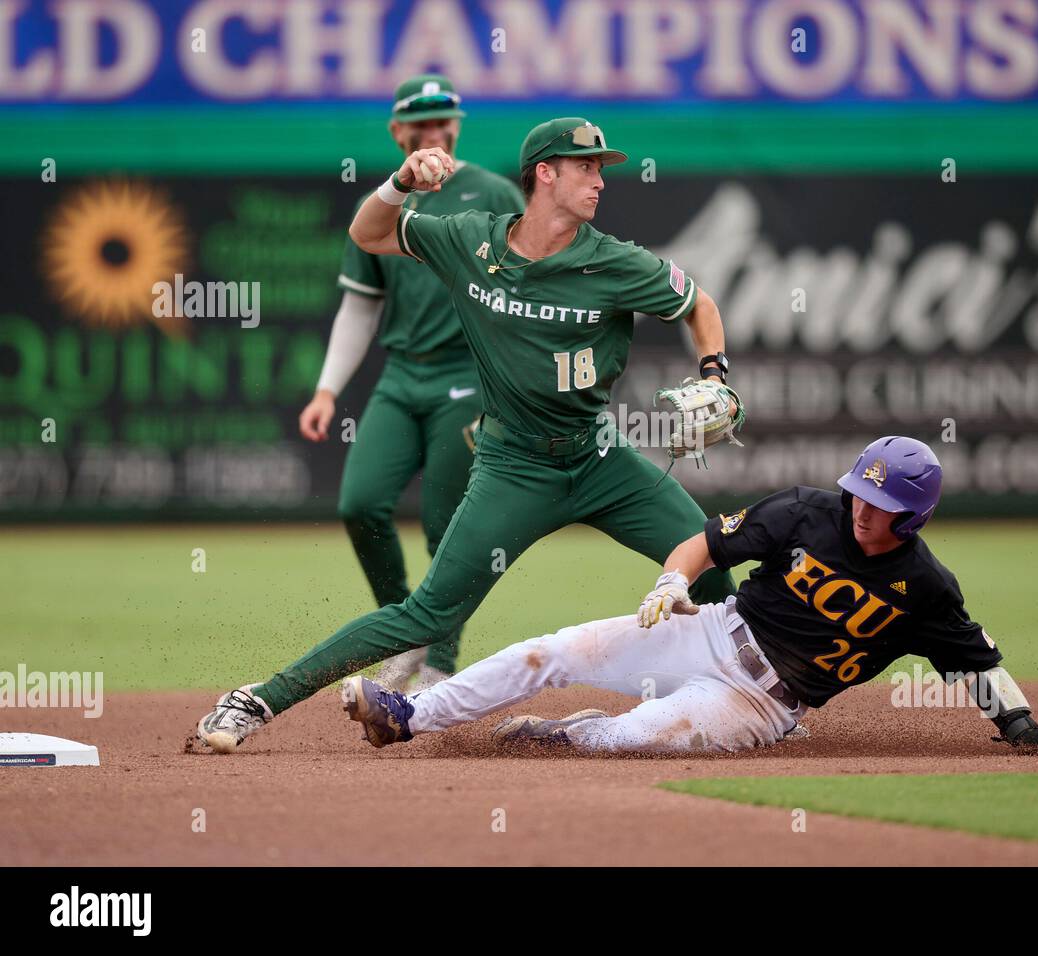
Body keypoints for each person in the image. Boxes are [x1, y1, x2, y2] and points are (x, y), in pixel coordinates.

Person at [196, 118, 739, 753]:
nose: (599, 179)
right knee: (429, 614)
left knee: (709, 561)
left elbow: (700, 305)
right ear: (545, 173)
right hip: (515, 467)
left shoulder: (614, 261)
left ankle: (747, 693)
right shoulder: (469, 242)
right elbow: (368, 231)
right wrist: (401, 181)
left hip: (600, 461)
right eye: (585, 166)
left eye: (602, 168)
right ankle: (258, 700)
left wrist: (715, 374)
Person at [339, 436, 1038, 755]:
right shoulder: (807, 510)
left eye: (883, 506)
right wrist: (674, 579)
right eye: (860, 496)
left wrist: (1021, 725)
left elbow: (973, 658)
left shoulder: (925, 588)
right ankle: (408, 715)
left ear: (916, 516)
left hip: (764, 703)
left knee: (635, 738)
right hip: (710, 632)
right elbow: (710, 540)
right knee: (553, 649)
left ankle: (562, 735)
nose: (864, 512)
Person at [298, 73, 524, 693]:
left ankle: (440, 664)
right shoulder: (384, 200)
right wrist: (326, 390)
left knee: (445, 525)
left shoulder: (496, 191)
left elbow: (527, 289)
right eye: (418, 121)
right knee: (359, 503)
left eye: (443, 118)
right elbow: (360, 305)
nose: (432, 130)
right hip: (402, 375)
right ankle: (405, 629)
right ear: (397, 132)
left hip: (468, 376)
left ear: (457, 126)